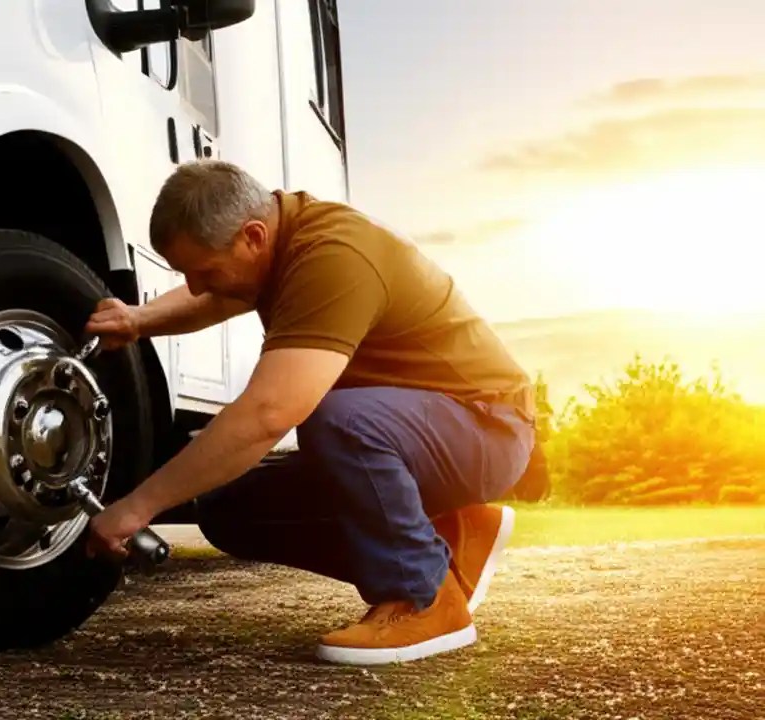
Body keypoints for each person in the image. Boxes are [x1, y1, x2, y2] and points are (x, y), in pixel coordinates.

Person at [82, 159, 537, 666]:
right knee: (229, 507)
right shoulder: (275, 244)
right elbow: (216, 299)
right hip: (428, 432)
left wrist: (138, 505)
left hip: (488, 426)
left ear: (253, 236)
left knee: (335, 419)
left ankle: (421, 597)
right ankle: (451, 537)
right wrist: (138, 320)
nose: (195, 286)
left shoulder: (332, 256)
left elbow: (268, 414)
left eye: (203, 271)